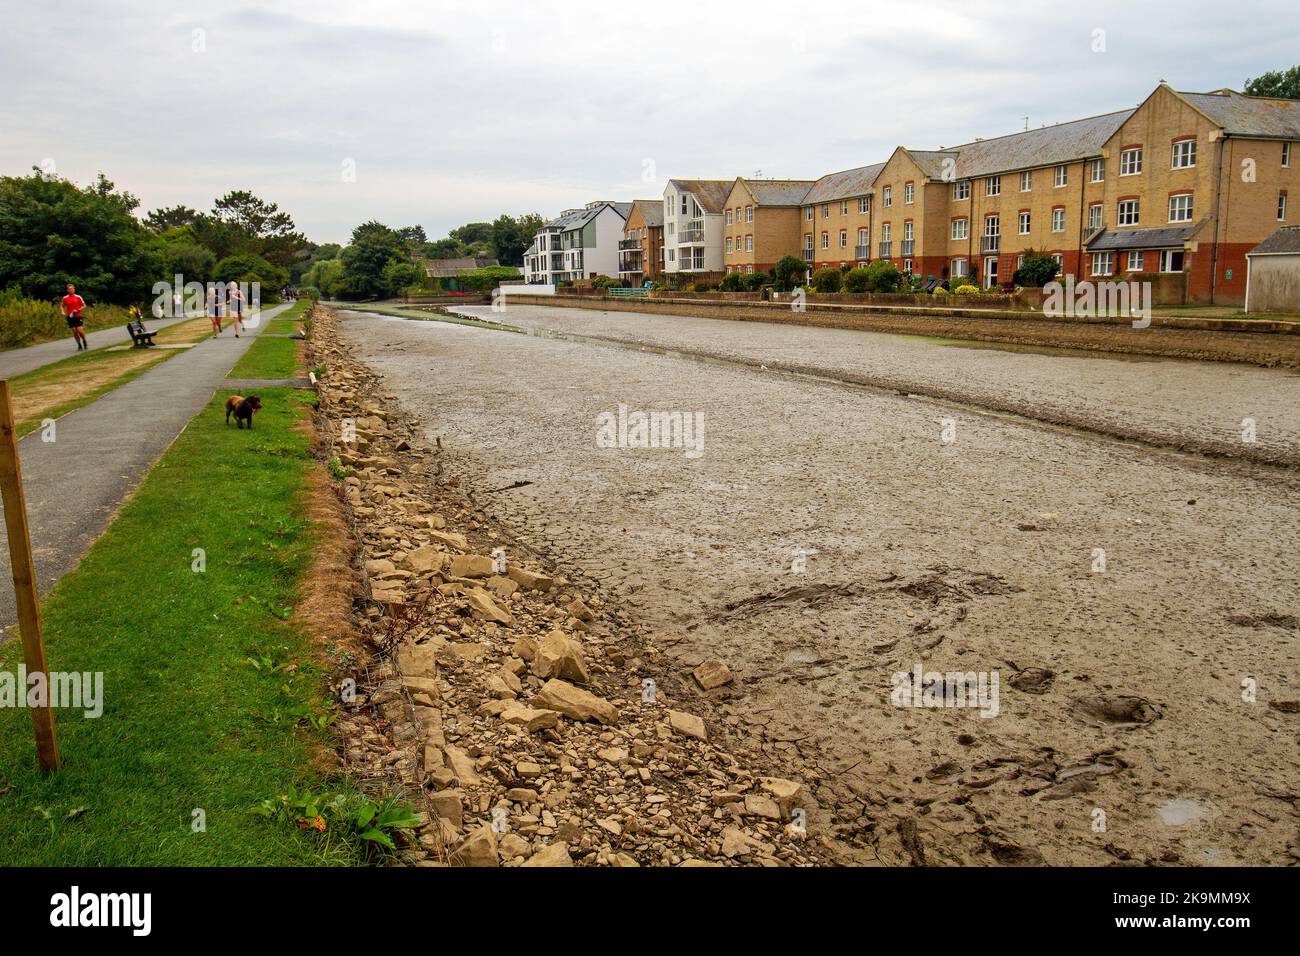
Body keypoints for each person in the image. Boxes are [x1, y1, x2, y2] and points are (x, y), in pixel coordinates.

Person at [61, 283, 89, 351]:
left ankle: (84, 340)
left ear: (74, 289)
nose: (71, 290)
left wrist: (78, 309)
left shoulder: (78, 297)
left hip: (78, 315)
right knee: (74, 331)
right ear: (67, 290)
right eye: (69, 289)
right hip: (70, 316)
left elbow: (84, 305)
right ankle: (79, 345)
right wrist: (62, 311)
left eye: (72, 289)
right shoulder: (65, 298)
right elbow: (62, 305)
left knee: (79, 330)